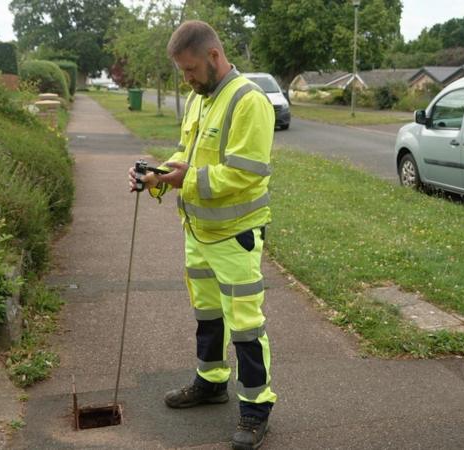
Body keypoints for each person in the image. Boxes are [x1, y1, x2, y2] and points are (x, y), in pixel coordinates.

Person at [127, 20, 276, 450]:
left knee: (245, 326)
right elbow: (184, 156)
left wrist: (182, 179)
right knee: (207, 315)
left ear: (214, 56)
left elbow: (245, 175)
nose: (186, 79)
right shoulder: (199, 100)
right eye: (182, 72)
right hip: (198, 231)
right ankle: (211, 383)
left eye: (190, 69)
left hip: (235, 237)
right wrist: (156, 174)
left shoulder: (249, 101)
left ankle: (256, 409)